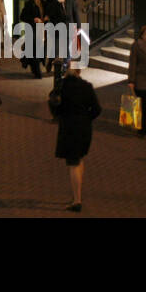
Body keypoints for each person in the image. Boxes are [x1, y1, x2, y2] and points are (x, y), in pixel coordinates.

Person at [52, 64, 102, 211]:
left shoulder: (62, 86)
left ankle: (77, 200)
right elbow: (97, 109)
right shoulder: (87, 86)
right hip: (84, 127)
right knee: (79, 159)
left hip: (69, 127)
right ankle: (77, 195)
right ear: (79, 71)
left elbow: (56, 107)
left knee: (72, 163)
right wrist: (87, 118)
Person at [19, 0, 47, 78]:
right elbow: (22, 17)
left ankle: (29, 62)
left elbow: (46, 12)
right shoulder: (29, 4)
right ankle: (37, 72)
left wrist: (46, 17)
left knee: (39, 50)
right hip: (33, 30)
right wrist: (33, 19)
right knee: (35, 51)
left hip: (42, 30)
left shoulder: (43, 2)